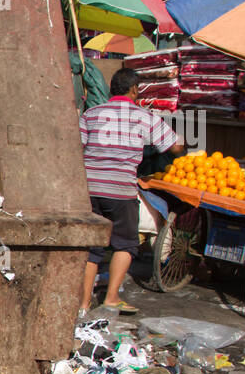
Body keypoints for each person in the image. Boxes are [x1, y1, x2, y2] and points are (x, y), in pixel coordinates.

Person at [79, 67, 185, 315]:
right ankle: (111, 298)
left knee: (92, 248)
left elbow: (77, 146)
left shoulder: (91, 113)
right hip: (120, 190)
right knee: (125, 244)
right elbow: (175, 147)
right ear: (135, 90)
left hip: (90, 188)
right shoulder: (143, 117)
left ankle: (83, 305)